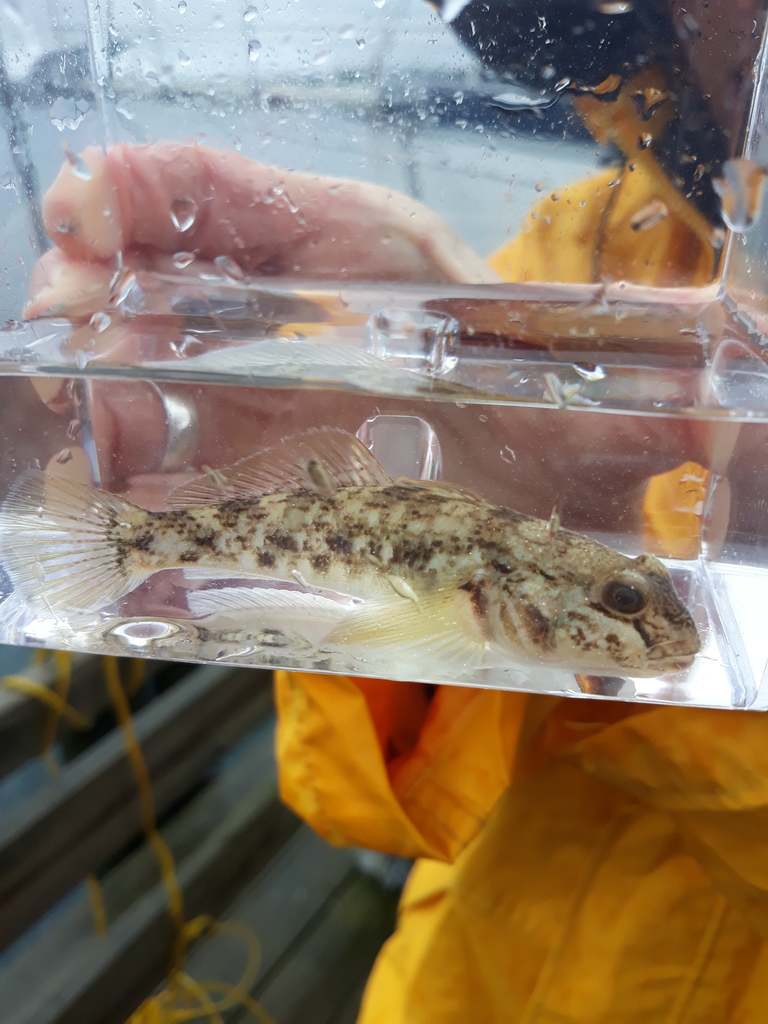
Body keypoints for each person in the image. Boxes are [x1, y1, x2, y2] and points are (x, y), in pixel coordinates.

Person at [20, 2, 768, 1020]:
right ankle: (134, 539)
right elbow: (353, 789)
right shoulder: (571, 242)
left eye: (627, 597)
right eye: (626, 599)